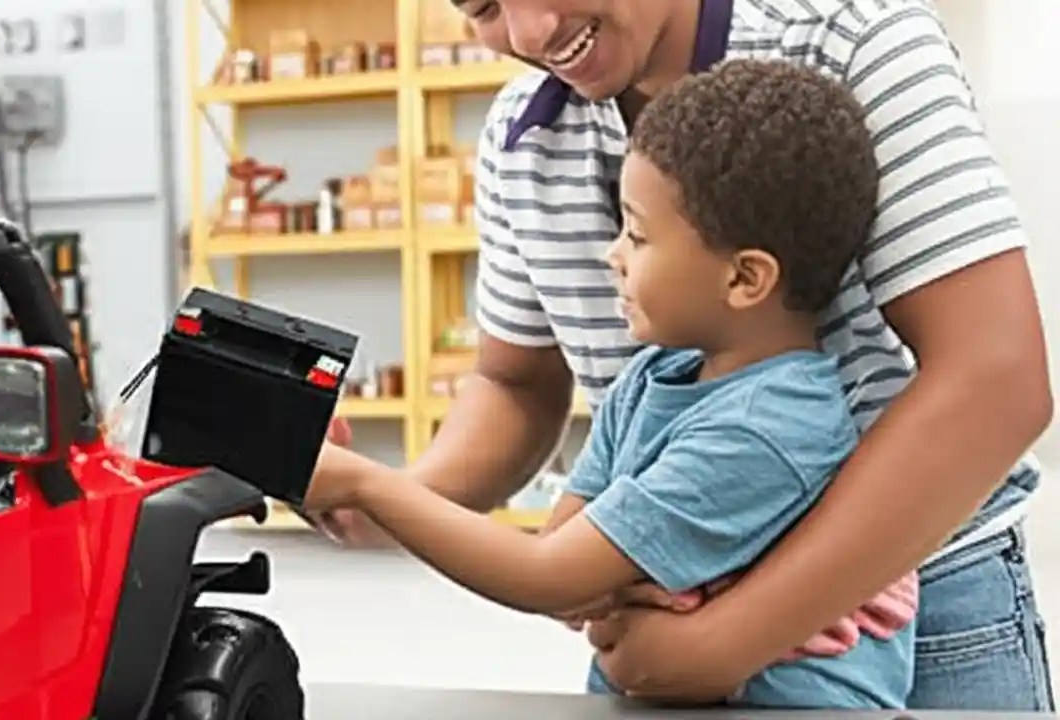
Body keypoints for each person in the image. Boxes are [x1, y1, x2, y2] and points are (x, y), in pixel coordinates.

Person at [315, 0, 1054, 710]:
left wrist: (721, 643)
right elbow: (514, 388)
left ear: (748, 276)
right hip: (657, 614)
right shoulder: (523, 137)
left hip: (893, 622)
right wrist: (381, 496)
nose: (531, 31)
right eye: (481, 7)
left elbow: (994, 382)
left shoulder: (854, 37)